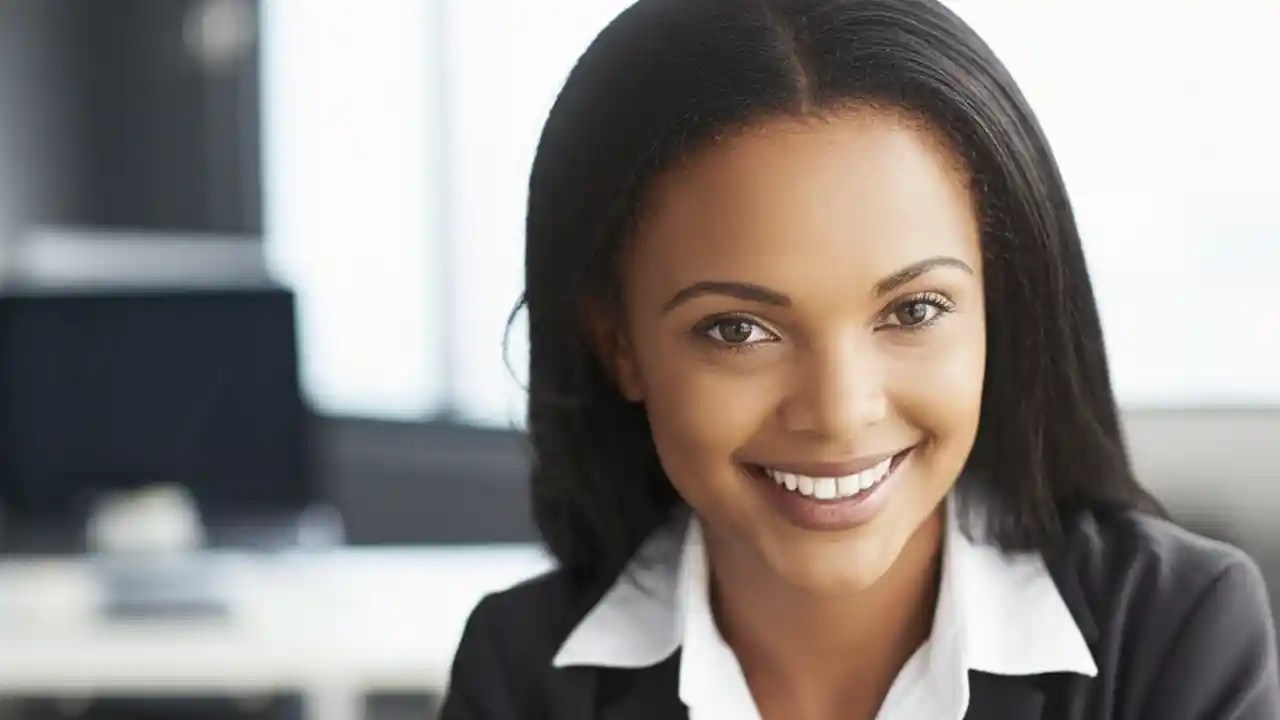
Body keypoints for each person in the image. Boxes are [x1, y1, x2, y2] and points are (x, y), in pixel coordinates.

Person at [441, 0, 1280, 718]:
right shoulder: (523, 673)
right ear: (618, 342)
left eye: (914, 310)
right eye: (737, 329)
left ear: (999, 309)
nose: (841, 410)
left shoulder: (1173, 630)